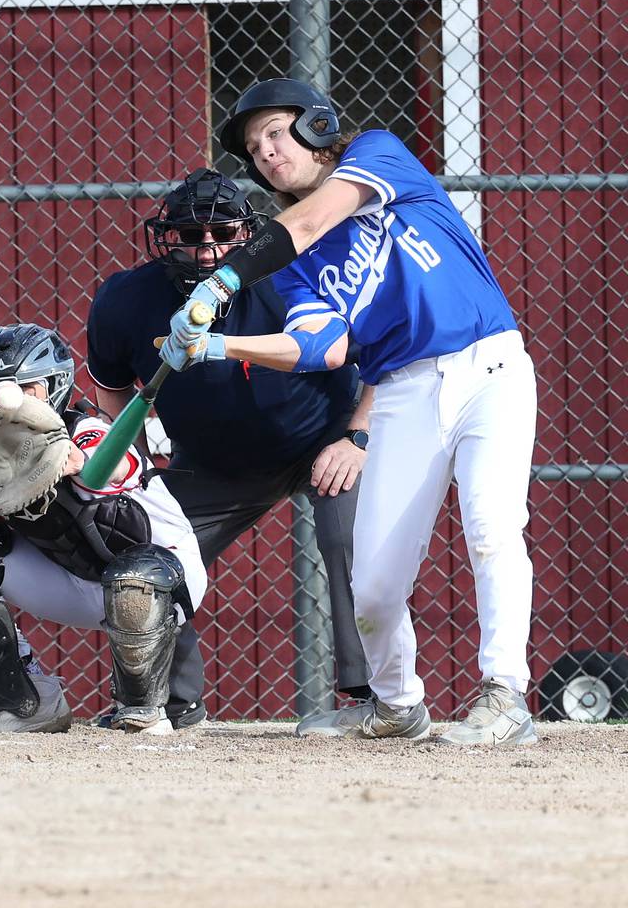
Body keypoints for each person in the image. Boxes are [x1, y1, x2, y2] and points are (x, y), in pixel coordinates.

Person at [159, 78, 538, 746]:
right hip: (400, 393)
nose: (268, 152)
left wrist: (221, 282)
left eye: (277, 131)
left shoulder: (377, 154)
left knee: (491, 526)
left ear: (318, 124)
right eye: (255, 147)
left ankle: (504, 695)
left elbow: (303, 222)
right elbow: (321, 346)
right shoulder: (297, 268)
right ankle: (397, 705)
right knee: (373, 586)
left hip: (489, 367)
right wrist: (219, 343)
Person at [86, 168, 374, 728]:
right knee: (141, 544)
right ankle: (168, 701)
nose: (208, 247)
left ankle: (378, 698)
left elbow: (380, 354)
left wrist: (358, 436)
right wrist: (137, 474)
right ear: (166, 237)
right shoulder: (127, 299)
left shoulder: (291, 272)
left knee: (348, 535)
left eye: (222, 232)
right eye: (192, 235)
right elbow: (116, 391)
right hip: (215, 461)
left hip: (322, 437)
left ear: (249, 234)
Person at [0, 323, 208, 735]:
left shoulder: (89, 431)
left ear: (55, 387)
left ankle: (144, 710)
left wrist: (81, 462)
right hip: (71, 576)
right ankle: (29, 704)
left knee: (135, 575)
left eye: (25, 390)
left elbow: (118, 463)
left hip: (163, 579)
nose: (3, 404)